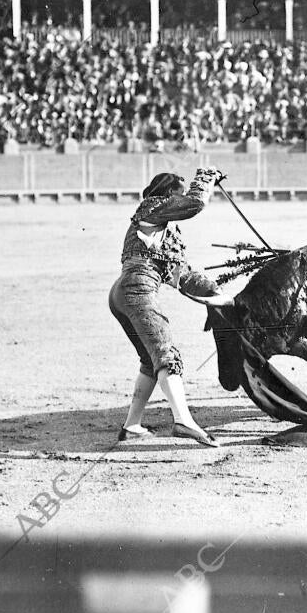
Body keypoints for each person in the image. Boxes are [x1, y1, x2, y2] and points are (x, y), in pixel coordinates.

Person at [110, 166, 227, 446]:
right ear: (170, 192)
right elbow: (195, 203)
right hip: (138, 290)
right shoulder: (151, 206)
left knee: (151, 361)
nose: (183, 196)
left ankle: (132, 426)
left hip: (123, 293)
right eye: (180, 191)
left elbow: (183, 277)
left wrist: (218, 293)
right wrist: (207, 176)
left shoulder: (164, 232)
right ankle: (183, 421)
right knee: (166, 355)